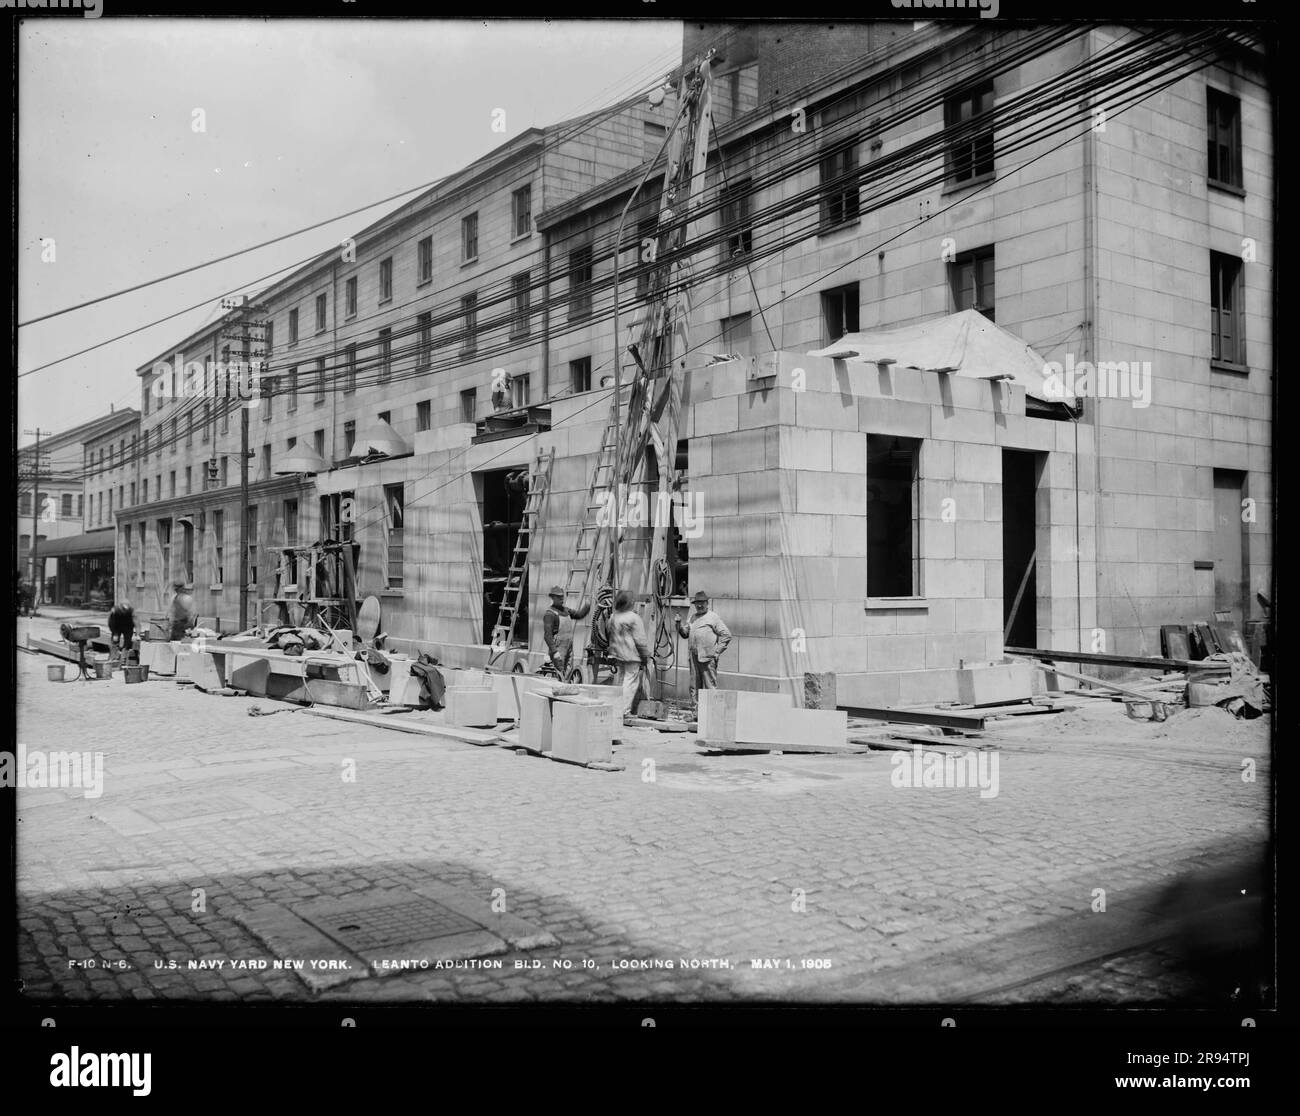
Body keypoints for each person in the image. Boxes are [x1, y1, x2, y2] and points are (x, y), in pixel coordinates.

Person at [676, 590, 732, 703]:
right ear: (695, 604)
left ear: (707, 603)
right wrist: (678, 624)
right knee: (694, 686)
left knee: (710, 686)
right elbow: (685, 634)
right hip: (694, 657)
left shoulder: (713, 617)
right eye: (697, 603)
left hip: (708, 658)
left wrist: (717, 652)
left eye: (702, 603)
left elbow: (726, 635)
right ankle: (696, 710)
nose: (700, 605)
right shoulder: (692, 618)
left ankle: (713, 711)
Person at [606, 590, 651, 712]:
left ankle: (616, 707)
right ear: (630, 603)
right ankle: (624, 710)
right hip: (632, 654)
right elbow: (640, 639)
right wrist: (645, 656)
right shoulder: (634, 618)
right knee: (630, 681)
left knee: (621, 679)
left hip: (617, 653)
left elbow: (608, 632)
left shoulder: (613, 616)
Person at [542, 586, 589, 675]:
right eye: (559, 597)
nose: (561, 598)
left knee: (568, 672)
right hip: (558, 648)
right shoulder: (550, 614)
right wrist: (554, 652)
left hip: (569, 646)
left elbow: (579, 615)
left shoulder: (566, 611)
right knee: (559, 672)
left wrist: (587, 606)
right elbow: (547, 636)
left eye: (562, 596)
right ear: (553, 598)